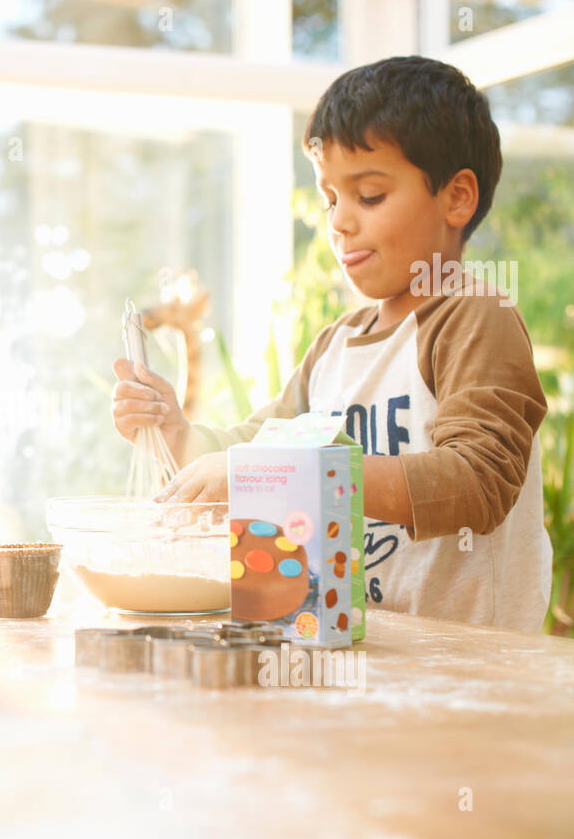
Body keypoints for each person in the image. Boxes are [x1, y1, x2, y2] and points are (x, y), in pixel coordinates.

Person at [111, 56, 550, 632]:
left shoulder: (473, 317)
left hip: (471, 668)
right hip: (367, 650)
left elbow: (479, 483)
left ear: (457, 198)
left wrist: (268, 473)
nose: (340, 222)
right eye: (330, 199)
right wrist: (174, 432)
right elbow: (255, 442)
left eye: (368, 196)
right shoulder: (335, 345)